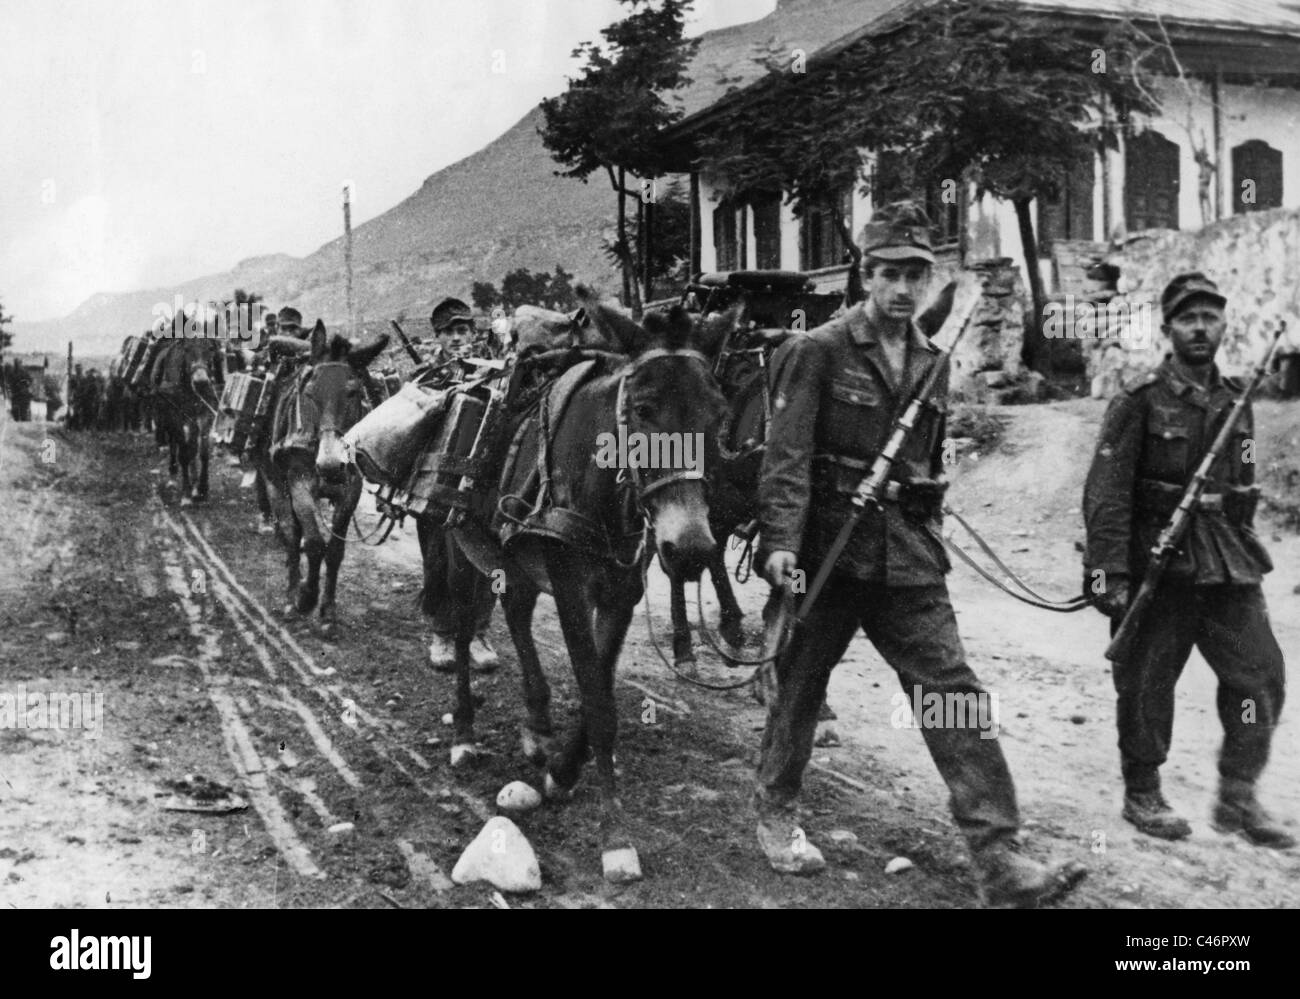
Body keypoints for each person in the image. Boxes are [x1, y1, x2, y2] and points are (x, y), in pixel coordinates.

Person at [753, 202, 1088, 907]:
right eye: (889, 274)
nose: (902, 289)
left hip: (907, 556)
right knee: (800, 687)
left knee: (954, 696)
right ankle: (777, 810)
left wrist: (926, 491)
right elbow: (786, 458)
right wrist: (782, 544)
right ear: (864, 275)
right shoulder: (816, 349)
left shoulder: (935, 361)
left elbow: (928, 460)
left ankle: (999, 855)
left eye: (915, 274)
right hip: (829, 551)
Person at [1083, 272, 1293, 848]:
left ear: (1224, 326)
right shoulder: (1140, 401)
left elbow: (1244, 478)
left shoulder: (1237, 402)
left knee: (1260, 678)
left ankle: (1238, 793)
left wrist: (1243, 538)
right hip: (1159, 557)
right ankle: (1143, 789)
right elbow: (1105, 490)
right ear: (1169, 328)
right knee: (1149, 681)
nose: (1200, 329)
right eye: (1187, 319)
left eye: (1210, 318)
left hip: (1224, 559)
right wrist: (1109, 574)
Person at [423, 295, 498, 672]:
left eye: (463, 329)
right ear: (438, 337)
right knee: (438, 561)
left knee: (489, 562)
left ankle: (481, 633)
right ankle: (441, 633)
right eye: (449, 331)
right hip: (436, 485)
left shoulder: (495, 370)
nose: (457, 337)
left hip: (482, 485)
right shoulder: (426, 376)